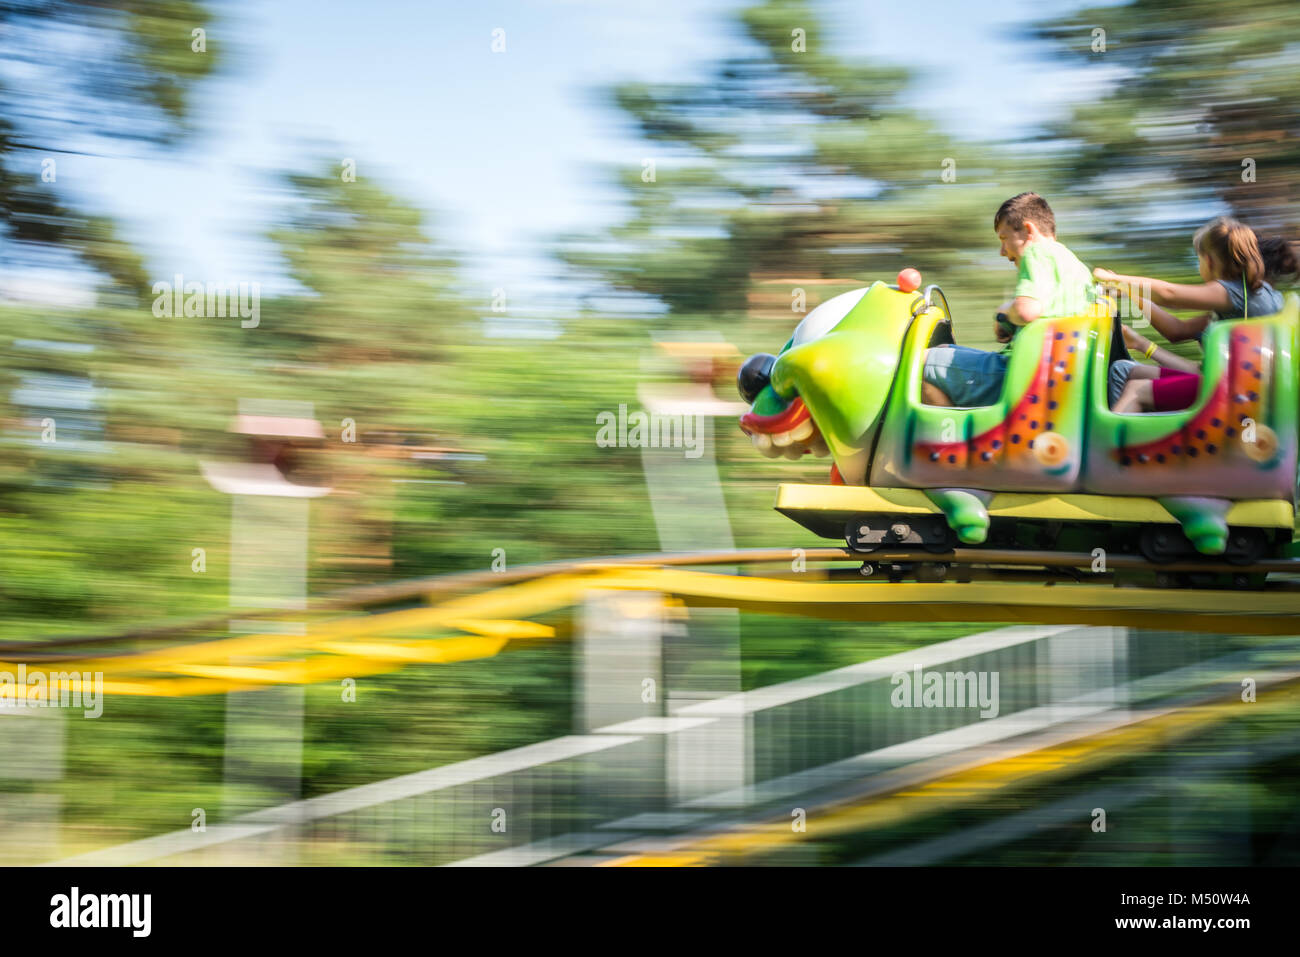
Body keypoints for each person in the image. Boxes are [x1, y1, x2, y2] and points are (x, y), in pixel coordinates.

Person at [922, 193, 1095, 407]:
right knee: (942, 351)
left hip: (1021, 376)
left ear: (1029, 231)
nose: (1002, 252)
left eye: (1004, 239)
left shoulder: (1037, 252)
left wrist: (1003, 312)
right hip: (1056, 376)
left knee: (915, 363)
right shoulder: (1079, 268)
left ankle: (950, 439)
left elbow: (1026, 311)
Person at [1098, 217, 1284, 414]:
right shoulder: (1244, 301)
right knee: (1123, 371)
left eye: (1199, 259)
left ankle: (1110, 444)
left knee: (1136, 390)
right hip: (1230, 384)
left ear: (1209, 261)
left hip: (1238, 395)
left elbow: (1169, 296)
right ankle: (1131, 438)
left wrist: (1115, 279)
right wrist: (1132, 293)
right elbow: (1177, 331)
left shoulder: (1234, 294)